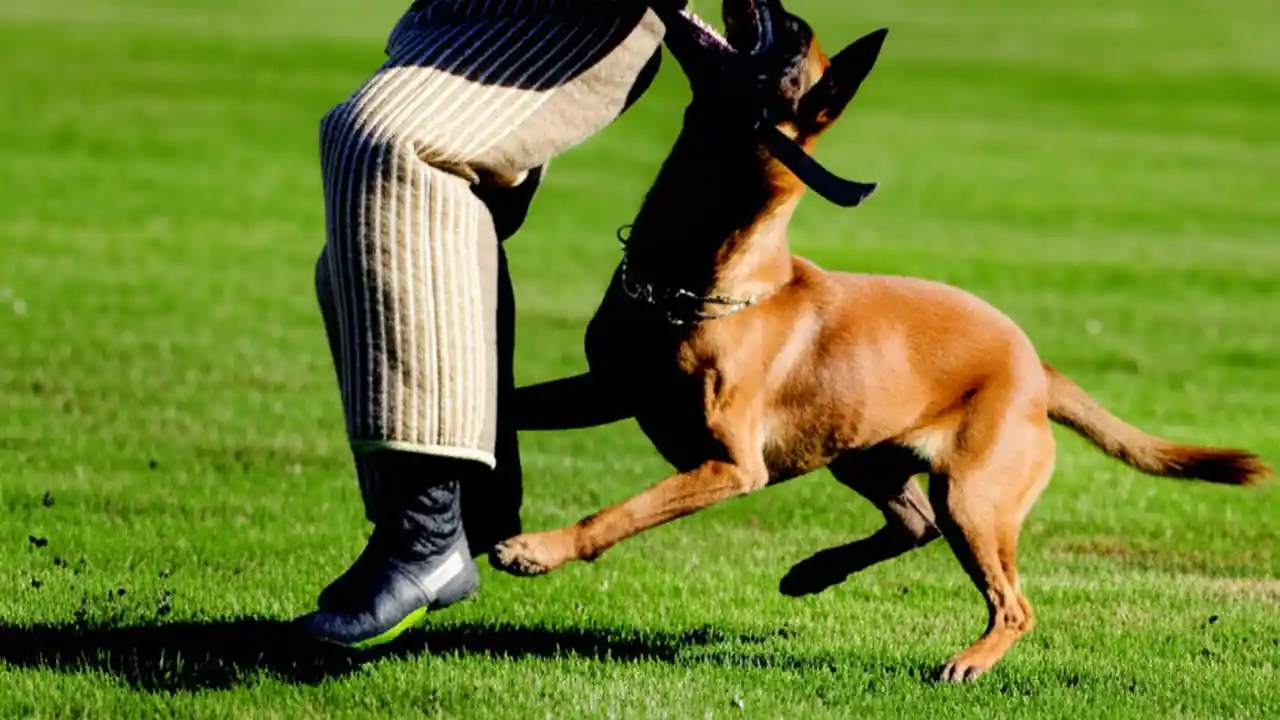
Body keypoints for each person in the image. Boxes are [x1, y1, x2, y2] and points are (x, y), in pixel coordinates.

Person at [298, 0, 684, 648]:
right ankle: (464, 511)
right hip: (460, 9)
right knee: (383, 231)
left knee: (392, 146)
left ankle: (423, 535)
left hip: (581, 15)